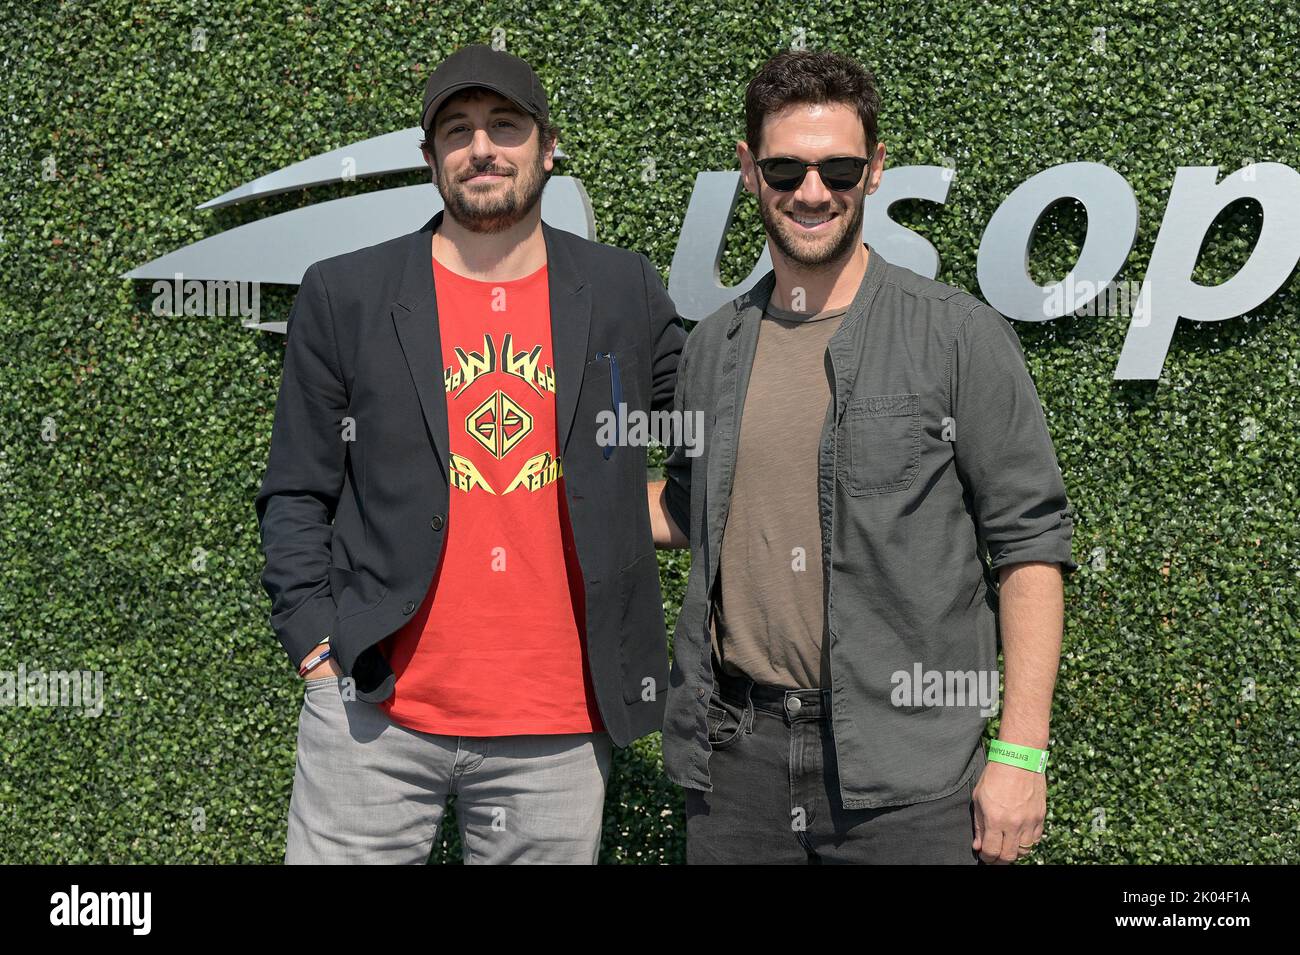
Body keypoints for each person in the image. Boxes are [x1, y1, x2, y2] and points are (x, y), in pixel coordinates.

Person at [257, 43, 685, 863]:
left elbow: (710, 419)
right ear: (430, 159)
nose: (481, 146)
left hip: (557, 728)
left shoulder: (622, 287)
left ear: (547, 147)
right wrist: (318, 646)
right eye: (457, 130)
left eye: (505, 125)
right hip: (373, 712)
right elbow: (296, 491)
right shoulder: (347, 294)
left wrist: (657, 510)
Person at [649, 49, 1077, 864]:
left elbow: (1029, 543)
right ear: (749, 170)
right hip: (738, 765)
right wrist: (539, 491)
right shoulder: (713, 348)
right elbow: (685, 506)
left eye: (839, 167)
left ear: (876, 169)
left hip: (908, 773)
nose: (813, 192)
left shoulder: (957, 335)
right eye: (786, 169)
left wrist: (1021, 755)